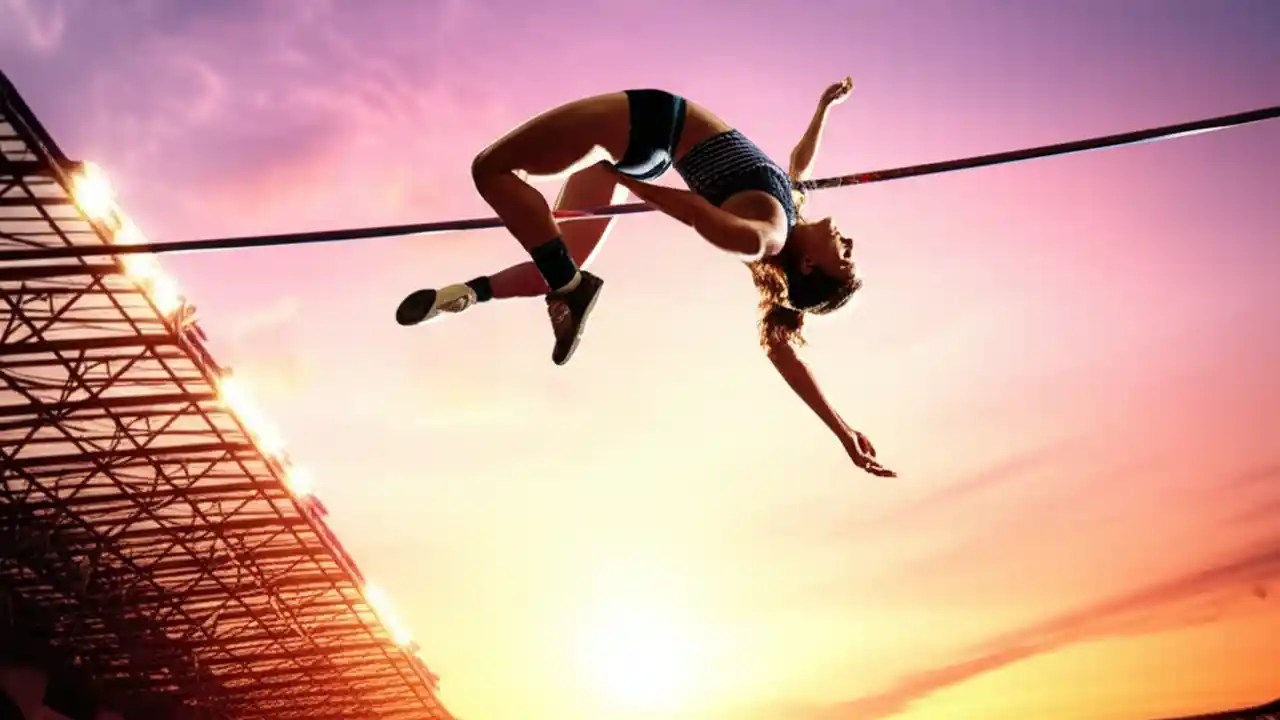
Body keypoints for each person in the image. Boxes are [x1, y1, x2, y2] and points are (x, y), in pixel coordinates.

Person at [396, 77, 894, 477]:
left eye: (844, 258)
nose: (849, 245)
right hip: (649, 149)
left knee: (491, 170)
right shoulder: (787, 207)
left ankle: (570, 287)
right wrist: (824, 109)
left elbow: (707, 219)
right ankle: (475, 292)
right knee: (563, 255)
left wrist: (629, 183)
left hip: (650, 127)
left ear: (808, 266)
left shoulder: (768, 236)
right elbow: (798, 166)